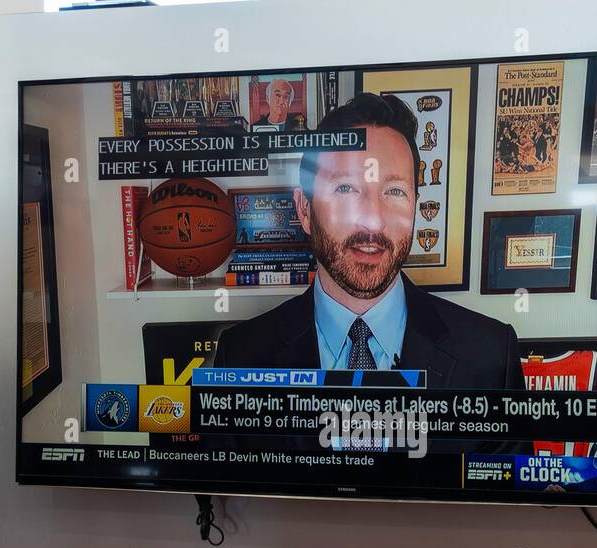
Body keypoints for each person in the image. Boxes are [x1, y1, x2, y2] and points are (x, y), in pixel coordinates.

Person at [216, 92, 523, 391]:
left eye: (394, 192)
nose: (373, 220)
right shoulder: (240, 357)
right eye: (346, 189)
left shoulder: (492, 357)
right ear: (305, 209)